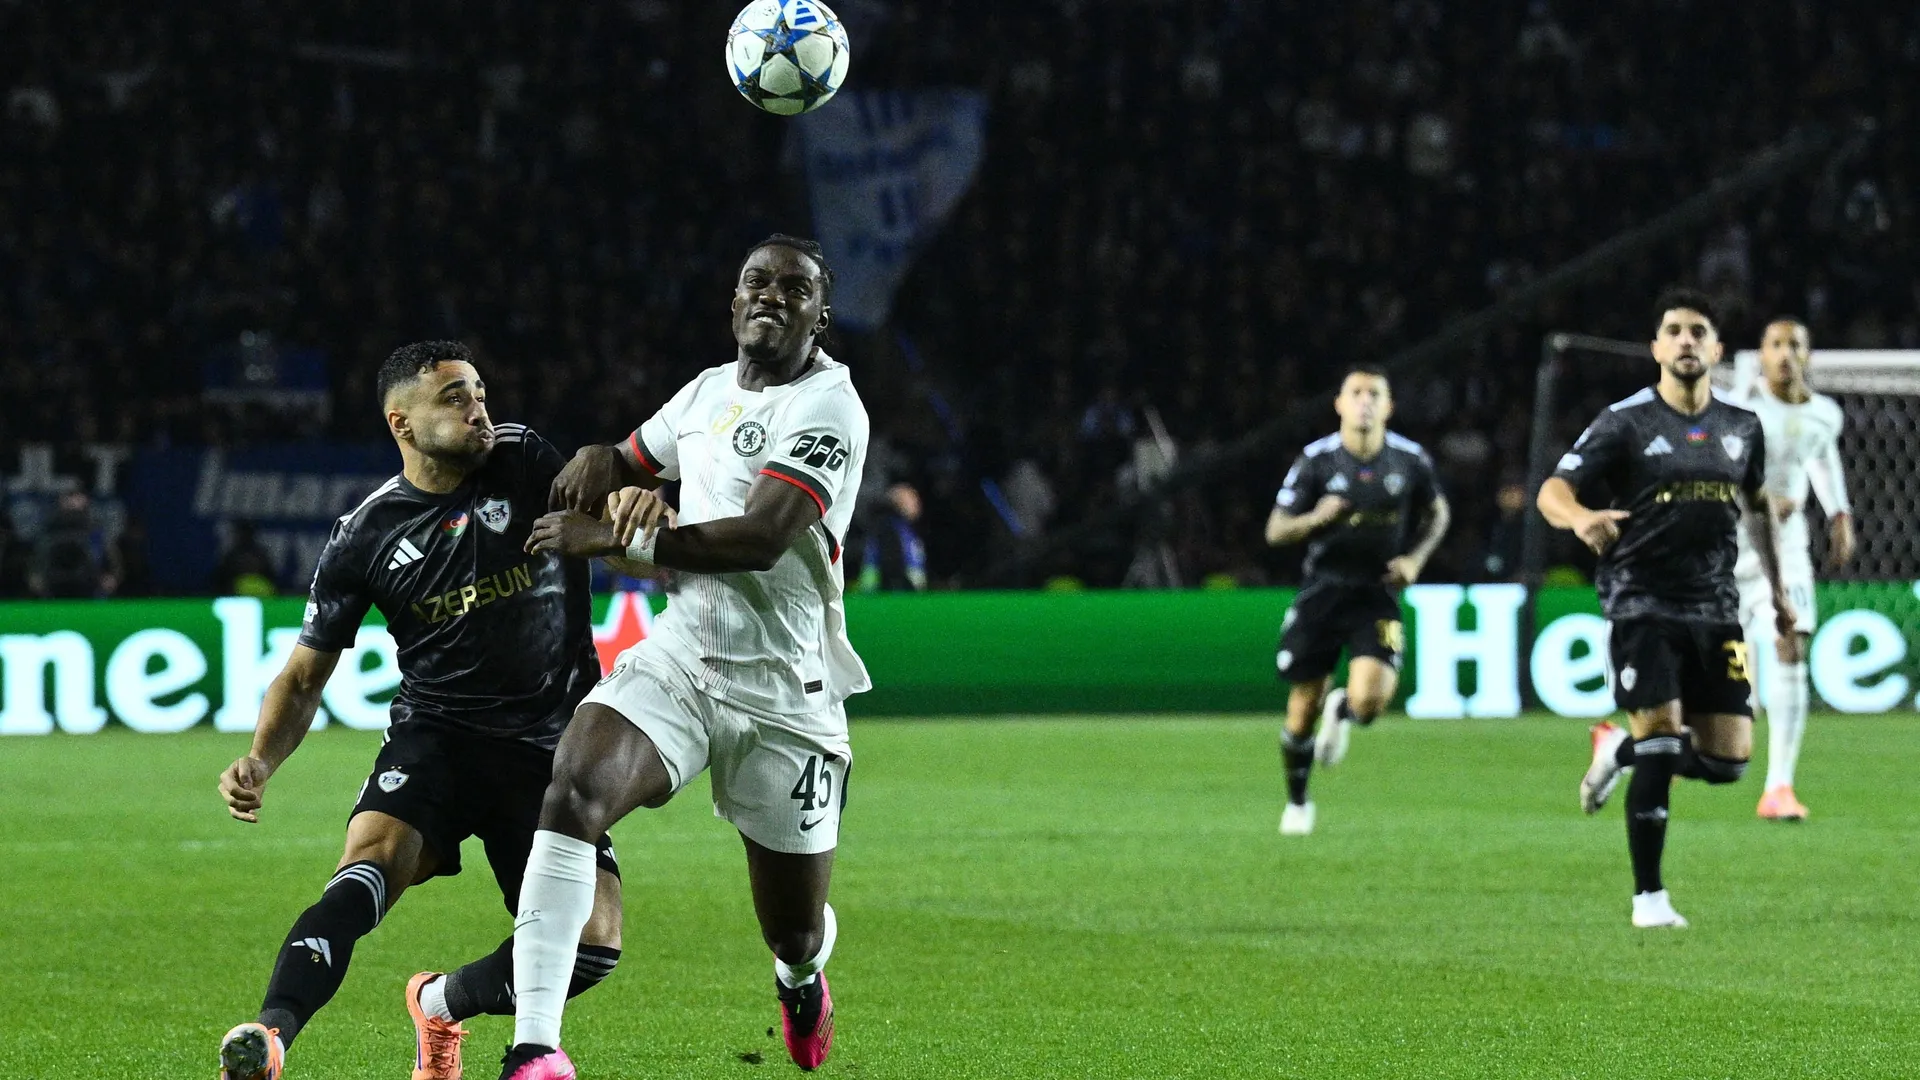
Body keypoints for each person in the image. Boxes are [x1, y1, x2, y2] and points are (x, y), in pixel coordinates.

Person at [495, 235, 869, 1079]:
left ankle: (801, 979)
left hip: (786, 692)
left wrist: (615, 540)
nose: (772, 295)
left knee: (794, 927)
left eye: (795, 288)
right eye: (755, 282)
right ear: (733, 301)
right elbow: (631, 457)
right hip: (683, 659)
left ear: (820, 315)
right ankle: (536, 1048)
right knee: (575, 788)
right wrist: (603, 457)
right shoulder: (704, 393)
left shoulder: (830, 408)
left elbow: (763, 538)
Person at [214, 341, 623, 1080]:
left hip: (549, 748)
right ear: (402, 424)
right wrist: (261, 758)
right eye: (456, 399)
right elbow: (304, 675)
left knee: (593, 950)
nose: (480, 411)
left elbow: (615, 521)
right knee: (364, 868)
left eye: (481, 393)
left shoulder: (526, 459)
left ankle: (439, 1002)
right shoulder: (364, 535)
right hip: (437, 738)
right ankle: (270, 1038)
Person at [1540, 289, 1794, 929]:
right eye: (1673, 331)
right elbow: (1553, 489)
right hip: (1641, 603)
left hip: (1718, 606)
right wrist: (1580, 519)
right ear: (1656, 347)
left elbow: (1757, 508)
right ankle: (1649, 898)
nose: (1685, 341)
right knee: (1660, 742)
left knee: (1729, 762)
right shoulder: (1625, 422)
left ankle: (1614, 750)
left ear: (1716, 350)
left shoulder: (1743, 428)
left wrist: (1784, 595)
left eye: (1697, 331)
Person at [1263, 368, 1450, 836]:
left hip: (1376, 592)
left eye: (1375, 395)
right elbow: (1276, 530)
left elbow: (1439, 511)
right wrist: (1316, 518)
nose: (1364, 402)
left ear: (1388, 407)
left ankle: (1344, 710)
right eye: (1356, 393)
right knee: (1302, 706)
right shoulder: (1317, 461)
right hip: (1323, 590)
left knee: (1371, 704)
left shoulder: (1409, 460)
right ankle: (1298, 802)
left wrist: (1415, 559)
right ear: (1340, 405)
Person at [1732, 319, 1853, 821]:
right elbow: (1719, 467)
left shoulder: (1826, 414)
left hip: (1789, 548)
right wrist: (1760, 499)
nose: (1784, 355)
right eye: (1775, 345)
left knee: (1791, 639)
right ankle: (1631, 750)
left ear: (1807, 356)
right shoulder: (1741, 409)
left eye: (1794, 346)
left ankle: (1779, 785)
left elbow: (1820, 458)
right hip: (1731, 545)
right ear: (1761, 355)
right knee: (1722, 682)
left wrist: (1839, 513)